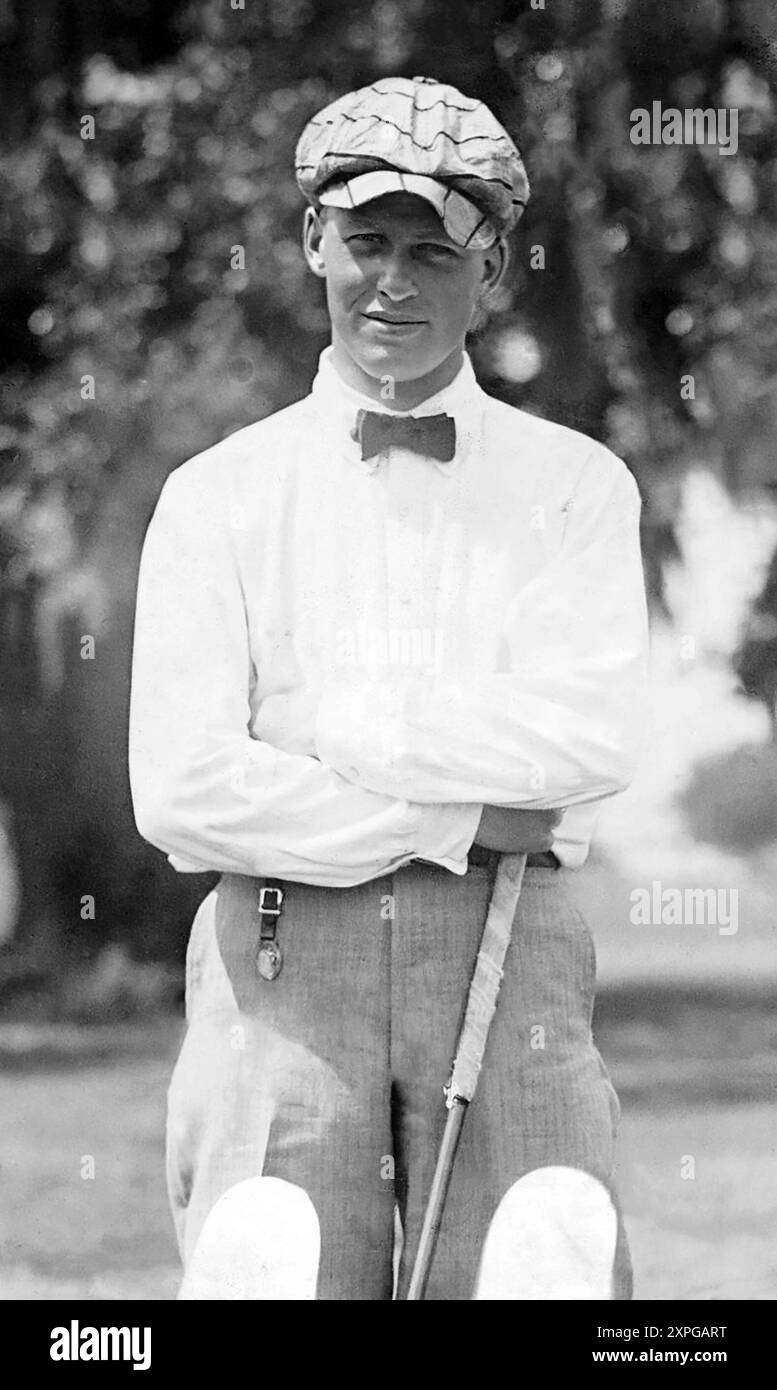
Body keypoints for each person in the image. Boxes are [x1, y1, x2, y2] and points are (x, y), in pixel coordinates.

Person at [129, 74, 649, 1300]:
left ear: (498, 268)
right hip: (279, 957)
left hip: (514, 934)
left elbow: (586, 742)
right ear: (314, 240)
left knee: (548, 1257)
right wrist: (456, 813)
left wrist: (334, 732)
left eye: (435, 249)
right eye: (366, 242)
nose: (394, 283)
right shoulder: (220, 494)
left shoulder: (576, 486)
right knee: (269, 1261)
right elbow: (184, 790)